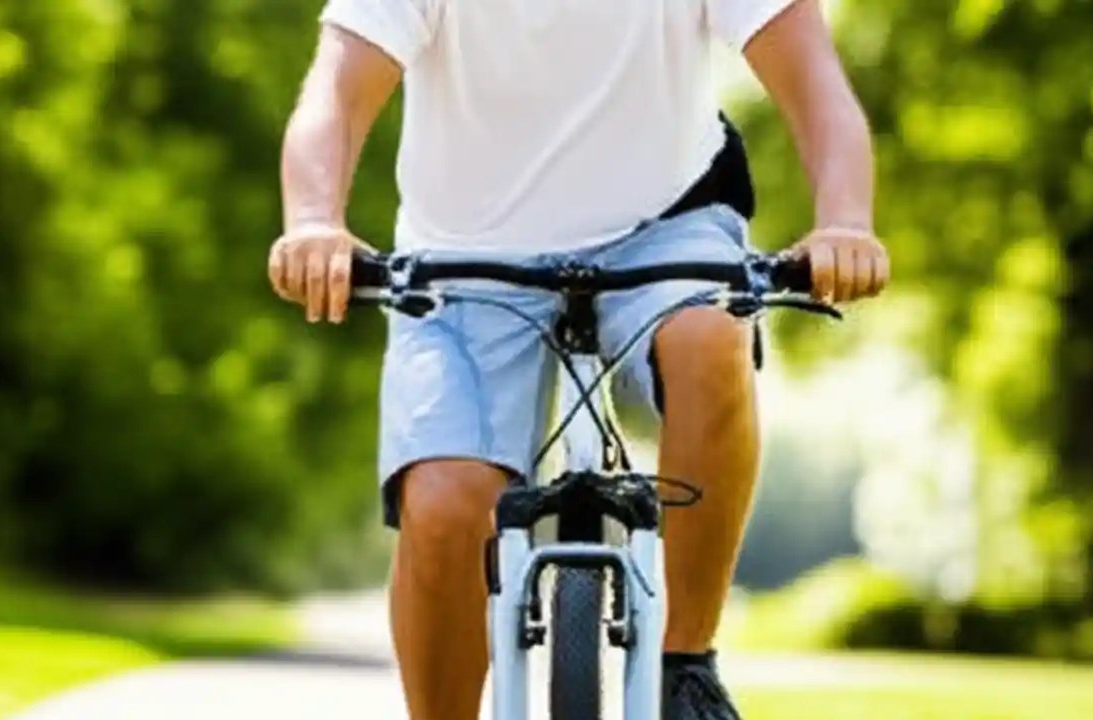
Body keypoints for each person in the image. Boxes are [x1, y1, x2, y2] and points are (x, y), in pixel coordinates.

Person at [268, 0, 889, 717]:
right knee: (444, 503)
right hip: (463, 259)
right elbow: (336, 95)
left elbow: (815, 81)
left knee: (710, 336)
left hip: (663, 229)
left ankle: (684, 666)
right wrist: (314, 220)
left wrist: (844, 219)